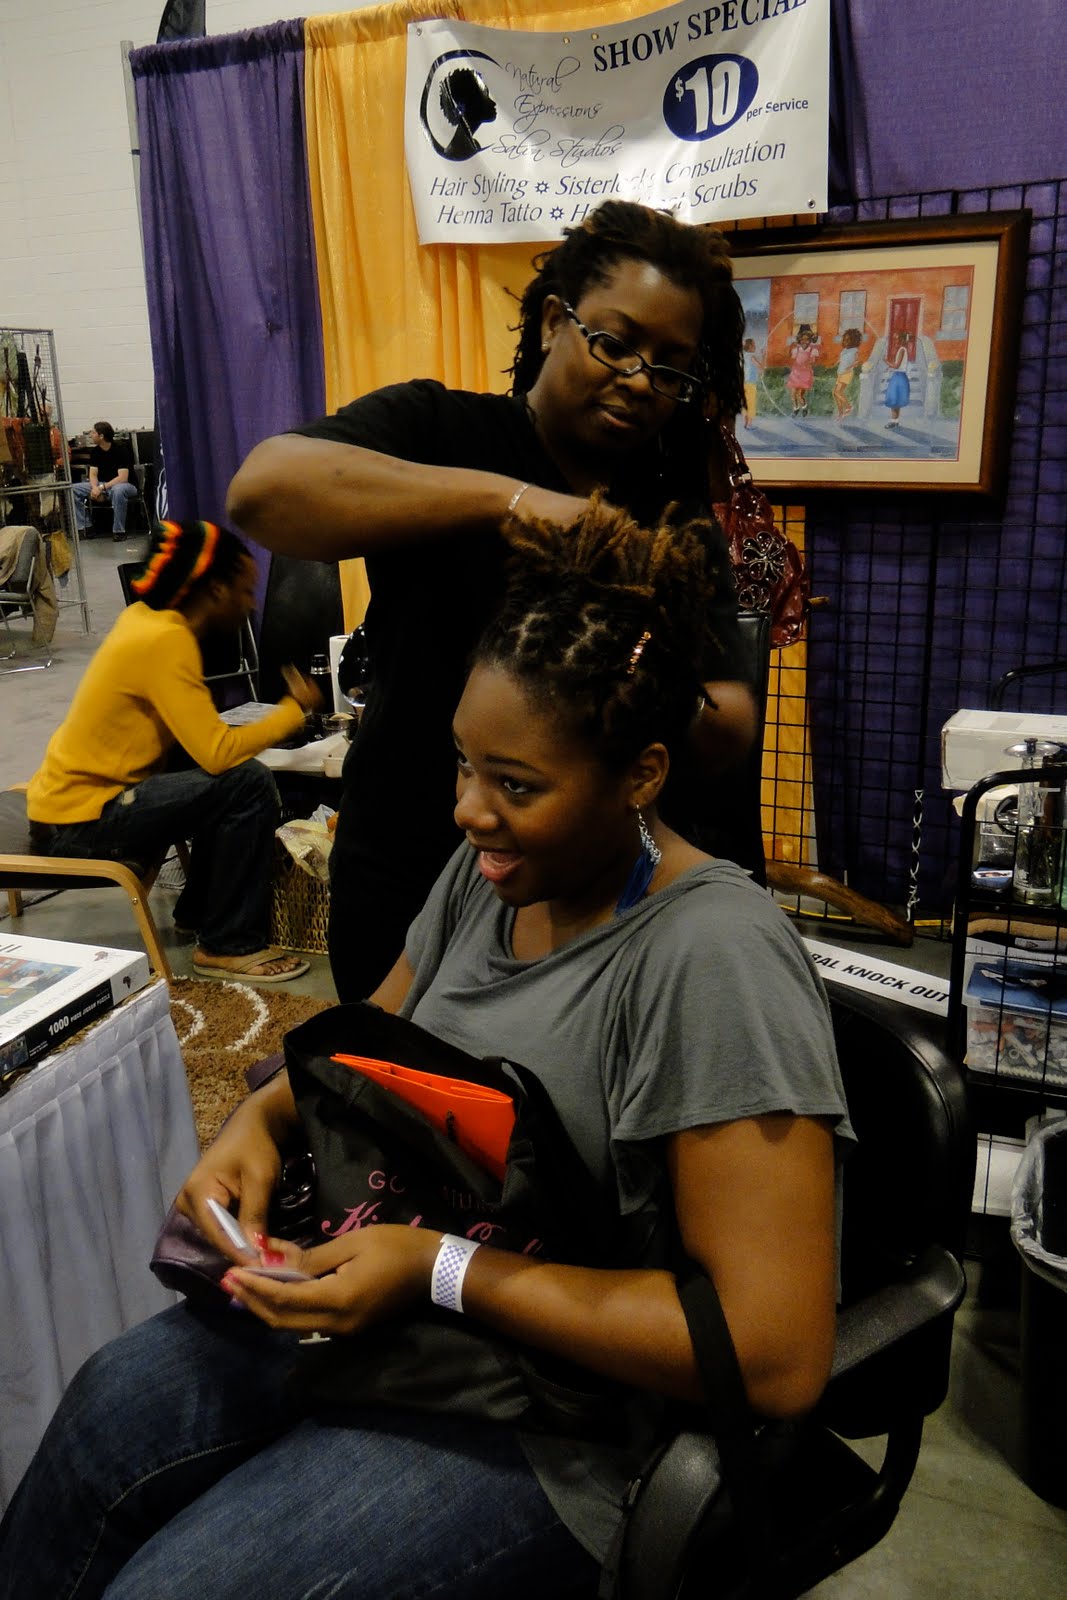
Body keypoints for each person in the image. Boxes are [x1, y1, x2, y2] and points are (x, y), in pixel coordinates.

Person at [0, 506, 852, 1600]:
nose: (468, 812)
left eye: (515, 785)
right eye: (463, 765)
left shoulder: (713, 962)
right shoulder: (494, 876)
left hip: (561, 1410)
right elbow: (365, 1060)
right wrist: (256, 1128)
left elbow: (773, 1353)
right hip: (404, 1304)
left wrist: (443, 1267)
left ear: (641, 775)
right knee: (98, 1424)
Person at [226, 200, 760, 1003]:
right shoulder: (438, 430)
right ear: (554, 320)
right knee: (397, 1089)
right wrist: (509, 505)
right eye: (614, 343)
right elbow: (264, 491)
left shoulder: (667, 515)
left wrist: (635, 685)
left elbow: (728, 719)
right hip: (410, 854)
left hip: (583, 890)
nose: (639, 380)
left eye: (671, 367)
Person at [25, 519, 324, 983]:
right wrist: (293, 711)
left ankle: (202, 910)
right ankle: (228, 942)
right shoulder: (166, 639)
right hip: (80, 822)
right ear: (217, 589)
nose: (250, 603)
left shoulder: (145, 619)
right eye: (245, 591)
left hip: (70, 807)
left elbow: (202, 749)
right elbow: (219, 754)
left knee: (220, 777)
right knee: (247, 782)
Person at [71, 421, 140, 540]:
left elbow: (123, 478)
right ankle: (85, 527)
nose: (91, 435)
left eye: (93, 432)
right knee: (73, 489)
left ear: (101, 436)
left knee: (118, 490)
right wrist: (94, 488)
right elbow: (92, 474)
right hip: (103, 485)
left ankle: (119, 531)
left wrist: (102, 488)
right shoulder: (95, 452)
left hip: (125, 485)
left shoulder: (121, 450)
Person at [784, 325, 820, 417]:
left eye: (807, 339)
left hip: (805, 373)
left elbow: (813, 361)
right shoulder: (796, 350)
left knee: (800, 394)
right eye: (802, 339)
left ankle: (804, 407)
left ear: (810, 340)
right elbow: (792, 359)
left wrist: (808, 363)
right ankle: (795, 408)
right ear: (799, 340)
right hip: (796, 373)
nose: (804, 341)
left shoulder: (812, 350)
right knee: (793, 394)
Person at [832, 327, 863, 418]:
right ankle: (841, 412)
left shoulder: (855, 350)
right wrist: (835, 363)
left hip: (847, 373)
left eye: (848, 340)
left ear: (853, 341)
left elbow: (857, 362)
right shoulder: (844, 350)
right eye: (844, 340)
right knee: (835, 392)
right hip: (840, 372)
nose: (845, 342)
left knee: (838, 392)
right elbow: (841, 359)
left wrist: (850, 367)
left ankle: (849, 407)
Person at [884, 331, 912, 427]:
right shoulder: (903, 349)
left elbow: (896, 365)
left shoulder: (901, 350)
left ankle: (893, 421)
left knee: (894, 399)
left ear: (902, 340)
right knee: (897, 399)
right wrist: (891, 366)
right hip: (900, 375)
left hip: (898, 376)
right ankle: (895, 421)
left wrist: (886, 362)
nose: (896, 342)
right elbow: (898, 364)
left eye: (897, 340)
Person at [741, 334, 763, 426]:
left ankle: (745, 422)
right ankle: (749, 424)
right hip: (751, 383)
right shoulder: (752, 356)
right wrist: (763, 355)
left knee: (746, 402)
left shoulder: (744, 355)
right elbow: (760, 366)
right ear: (750, 346)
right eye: (754, 345)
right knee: (751, 403)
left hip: (745, 382)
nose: (755, 346)